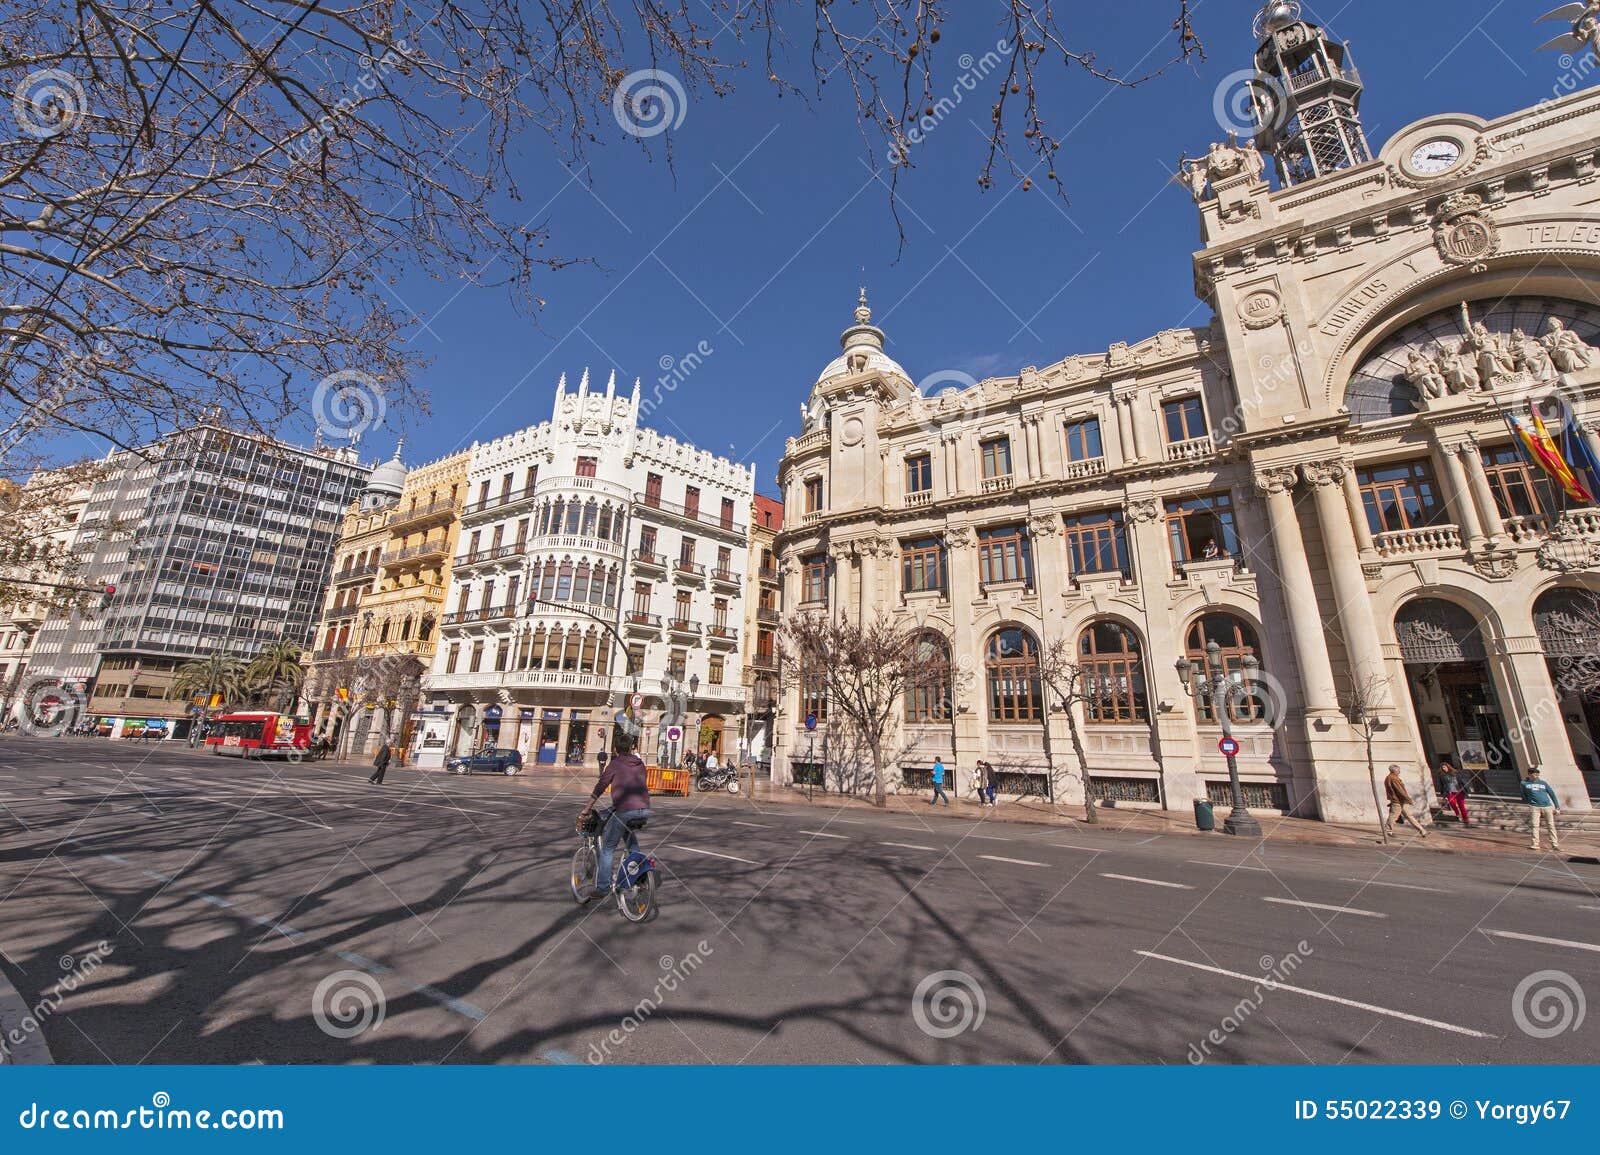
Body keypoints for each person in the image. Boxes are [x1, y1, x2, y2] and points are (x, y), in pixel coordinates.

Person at [578, 727, 651, 898]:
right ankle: (638, 873)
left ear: (616, 749)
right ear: (631, 748)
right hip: (645, 809)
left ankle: (603, 888)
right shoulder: (640, 764)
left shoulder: (615, 764)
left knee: (608, 848)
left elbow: (600, 787)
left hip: (626, 810)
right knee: (630, 840)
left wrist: (586, 808)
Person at [1521, 766, 1563, 853]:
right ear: (1529, 774)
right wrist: (1529, 802)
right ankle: (1535, 844)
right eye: (1535, 774)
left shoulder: (1543, 783)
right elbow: (1524, 795)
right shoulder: (1524, 783)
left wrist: (1557, 807)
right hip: (1534, 807)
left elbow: (1552, 794)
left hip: (1547, 806)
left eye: (1538, 774)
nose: (1537, 776)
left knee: (1551, 825)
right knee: (1535, 825)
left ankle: (1554, 844)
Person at [1382, 764, 1428, 839]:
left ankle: (1422, 830)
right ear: (1395, 770)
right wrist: (1408, 799)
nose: (1399, 771)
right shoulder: (1393, 779)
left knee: (1409, 816)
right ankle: (1388, 831)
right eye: (1398, 770)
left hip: (1400, 800)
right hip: (1398, 801)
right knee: (1393, 816)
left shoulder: (1390, 778)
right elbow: (1400, 791)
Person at [1437, 760, 1469, 827]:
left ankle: (1465, 819)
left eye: (1444, 767)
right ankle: (1457, 813)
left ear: (1448, 767)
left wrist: (1467, 790)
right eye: (1442, 768)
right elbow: (1442, 785)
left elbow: (1462, 782)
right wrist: (1442, 793)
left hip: (1459, 792)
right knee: (1452, 803)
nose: (1444, 769)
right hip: (1450, 792)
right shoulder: (1442, 776)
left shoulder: (1455, 773)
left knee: (1461, 806)